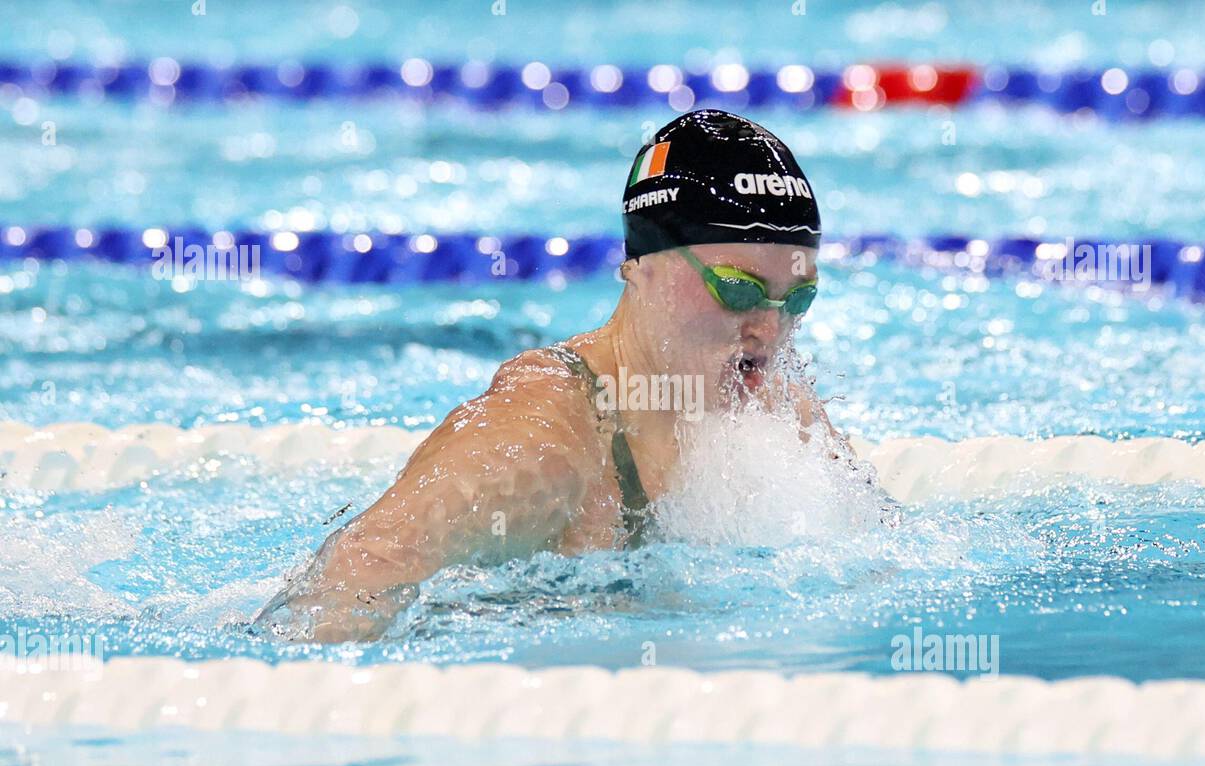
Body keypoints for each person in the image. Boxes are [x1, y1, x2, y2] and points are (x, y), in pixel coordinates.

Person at [256, 108, 855, 642]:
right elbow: (352, 580)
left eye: (797, 299)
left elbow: (883, 551)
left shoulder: (781, 415)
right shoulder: (548, 436)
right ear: (639, 266)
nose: (769, 332)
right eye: (737, 289)